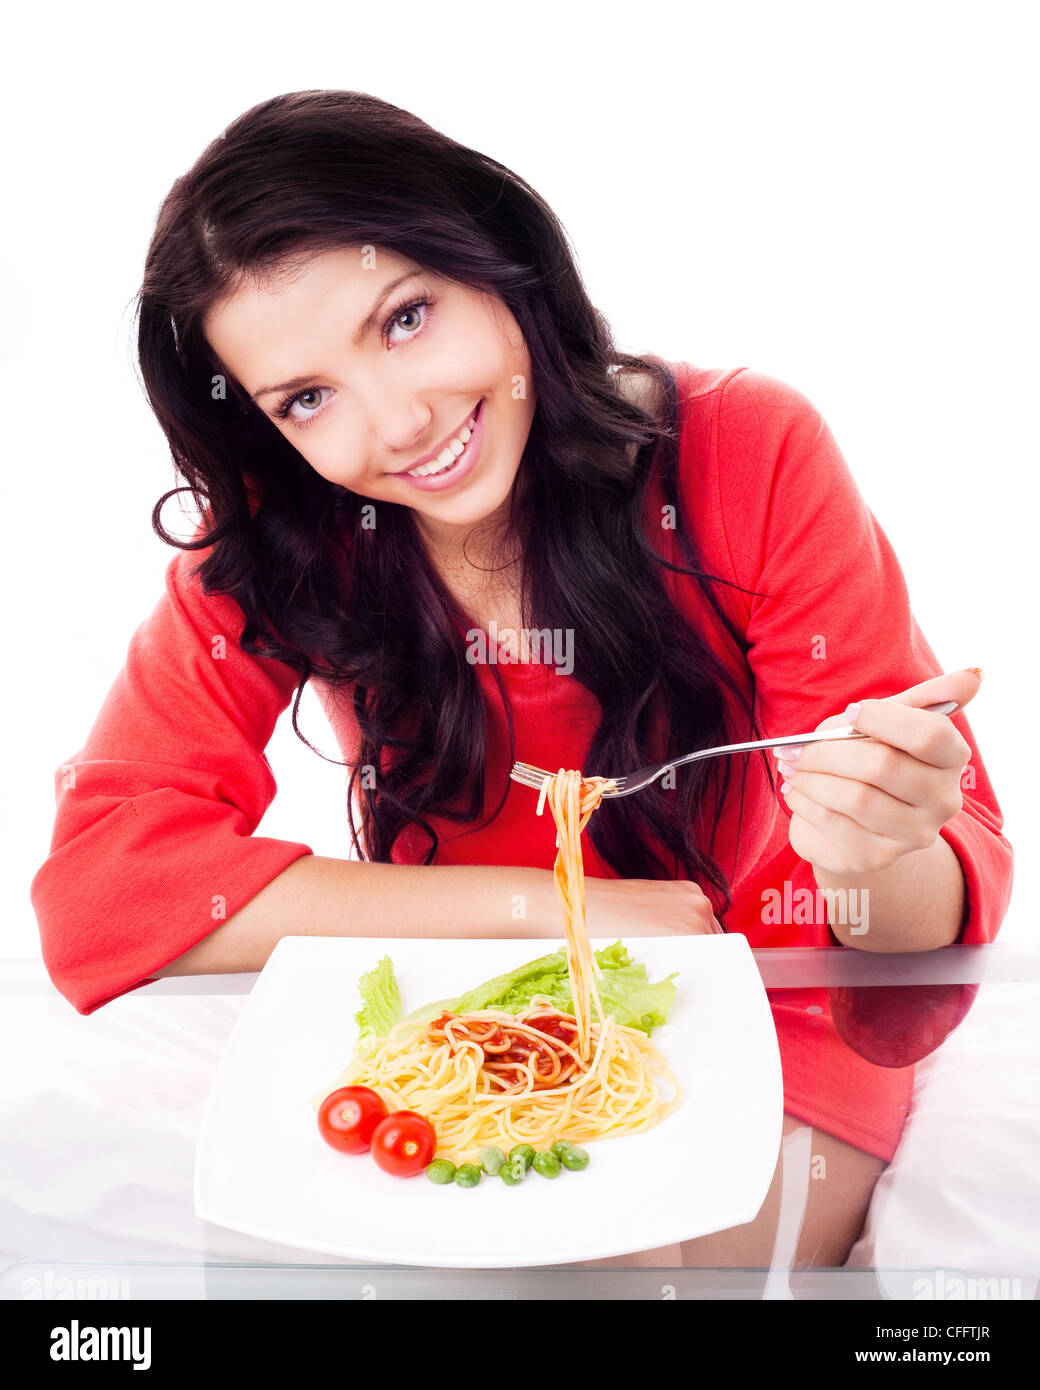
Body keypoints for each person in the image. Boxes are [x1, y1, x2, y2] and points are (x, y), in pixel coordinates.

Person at [31, 90, 1013, 1272]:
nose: (398, 424)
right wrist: (564, 908)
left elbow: (909, 934)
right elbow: (104, 890)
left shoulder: (741, 449)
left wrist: (874, 851)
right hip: (458, 1020)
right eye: (305, 399)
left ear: (497, 259)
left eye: (404, 319)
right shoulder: (291, 538)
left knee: (587, 1271)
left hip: (766, 1011)